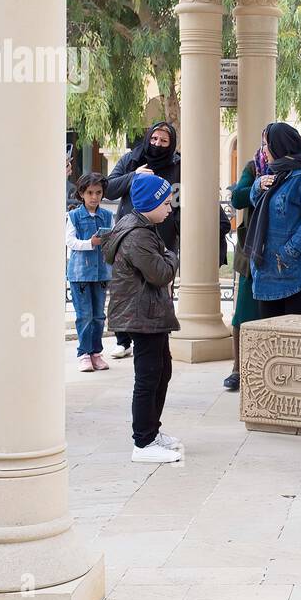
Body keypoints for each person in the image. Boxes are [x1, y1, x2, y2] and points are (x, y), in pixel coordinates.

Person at [101, 172, 182, 464]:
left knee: (162, 371)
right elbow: (160, 273)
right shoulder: (137, 235)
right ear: (149, 203)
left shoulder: (143, 226)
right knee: (148, 377)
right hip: (142, 315)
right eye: (165, 203)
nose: (170, 208)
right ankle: (143, 442)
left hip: (149, 312)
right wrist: (173, 256)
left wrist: (166, 256)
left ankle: (152, 430)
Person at [104, 121, 181, 358]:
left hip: (163, 235)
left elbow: (181, 198)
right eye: (154, 139)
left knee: (159, 283)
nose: (157, 144)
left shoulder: (178, 165)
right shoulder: (131, 159)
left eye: (164, 141)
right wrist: (133, 176)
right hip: (131, 234)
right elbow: (109, 188)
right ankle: (124, 339)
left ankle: (159, 330)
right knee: (128, 284)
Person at [243, 122, 301, 318]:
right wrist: (257, 187)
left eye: (266, 144)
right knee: (270, 342)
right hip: (269, 272)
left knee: (293, 342)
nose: (263, 150)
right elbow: (262, 207)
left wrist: (290, 250)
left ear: (278, 145)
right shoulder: (276, 172)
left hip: (297, 272)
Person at [222, 136, 269, 391]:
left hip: (281, 254)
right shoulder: (254, 167)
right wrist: (257, 186)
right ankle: (238, 370)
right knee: (244, 312)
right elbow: (238, 198)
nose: (266, 147)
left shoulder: (294, 170)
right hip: (253, 251)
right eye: (263, 142)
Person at [66, 172, 115, 373]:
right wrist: (90, 243)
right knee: (84, 315)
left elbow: (113, 238)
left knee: (98, 316)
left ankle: (96, 352)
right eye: (90, 193)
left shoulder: (107, 216)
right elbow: (70, 241)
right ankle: (83, 354)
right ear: (81, 194)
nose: (94, 197)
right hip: (81, 274)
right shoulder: (73, 216)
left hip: (101, 273)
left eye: (98, 192)